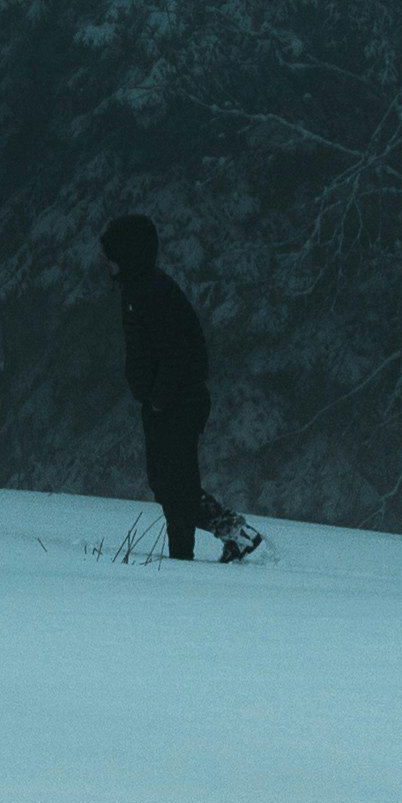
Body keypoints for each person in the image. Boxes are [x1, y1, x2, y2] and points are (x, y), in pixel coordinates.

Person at [99, 213, 261, 562]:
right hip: (169, 402)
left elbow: (178, 350)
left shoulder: (150, 292)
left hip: (177, 403)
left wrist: (158, 399)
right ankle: (189, 556)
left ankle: (230, 535)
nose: (106, 263)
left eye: (111, 255)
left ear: (128, 255)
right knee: (168, 485)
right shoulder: (139, 289)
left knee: (176, 486)